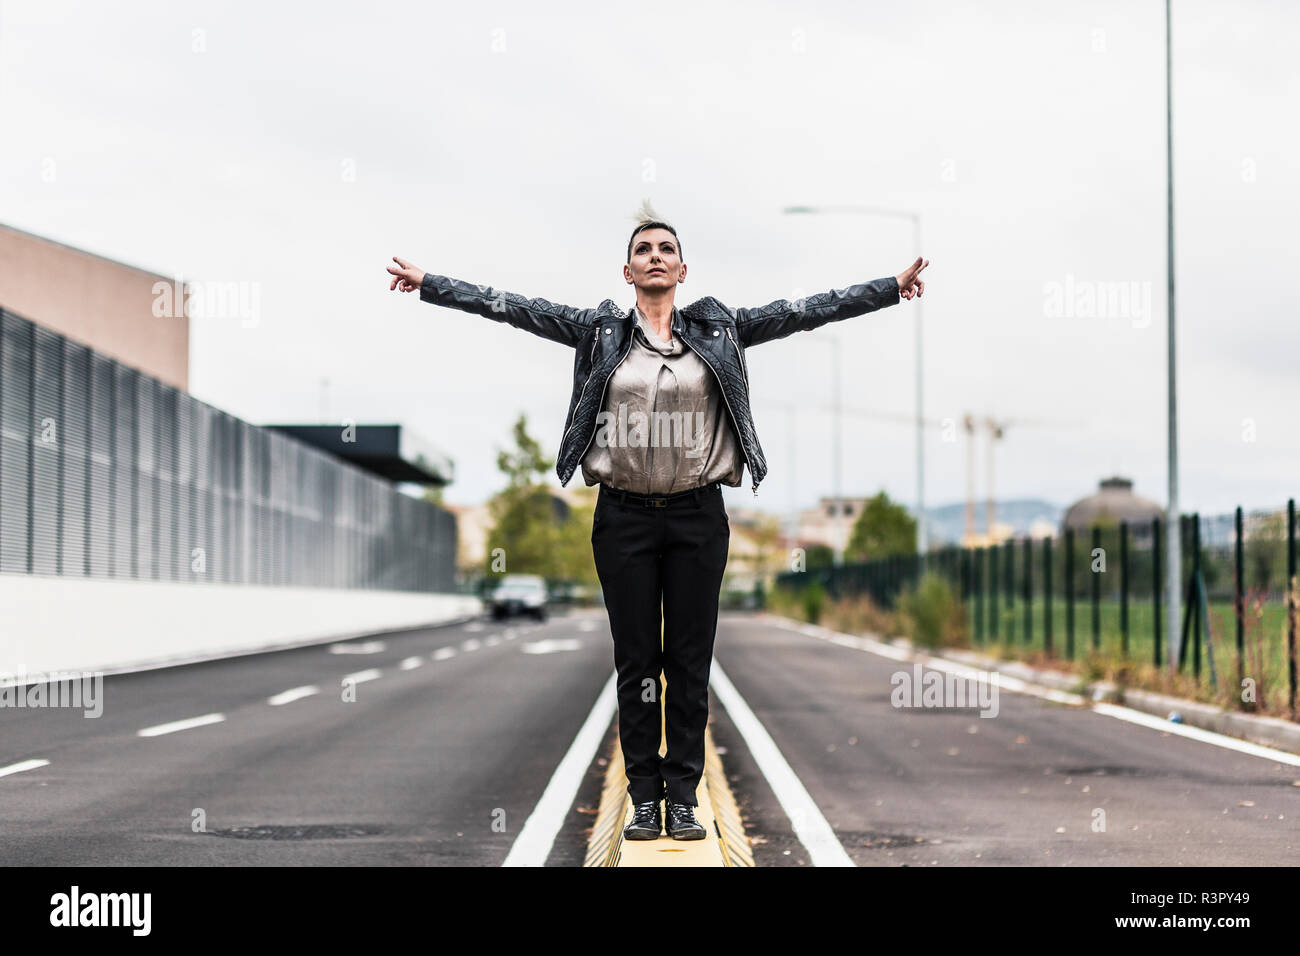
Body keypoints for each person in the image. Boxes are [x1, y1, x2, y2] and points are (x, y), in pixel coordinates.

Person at [386, 205, 927, 841]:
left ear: (682, 267)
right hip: (624, 519)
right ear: (627, 270)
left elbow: (806, 309)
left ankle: (683, 799)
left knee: (690, 663)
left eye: (666, 248)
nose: (655, 256)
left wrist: (888, 289)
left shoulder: (721, 329)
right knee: (638, 663)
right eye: (643, 249)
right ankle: (644, 799)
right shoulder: (597, 333)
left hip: (700, 517)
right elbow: (510, 304)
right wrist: (431, 284)